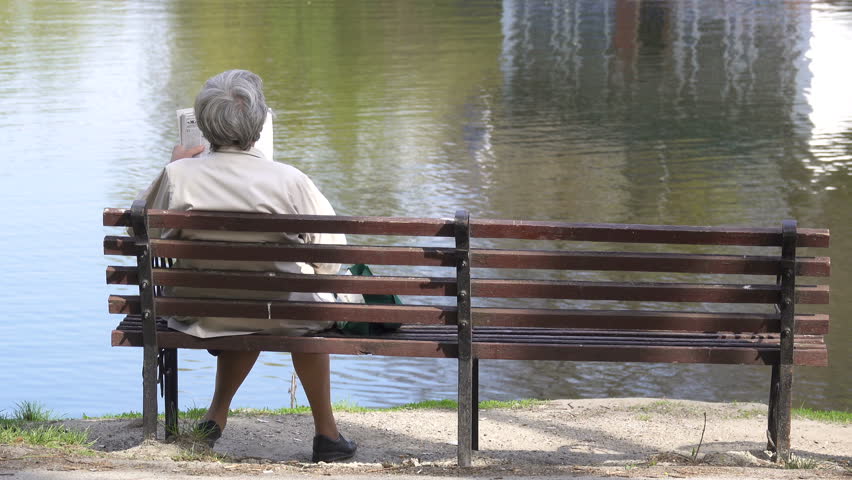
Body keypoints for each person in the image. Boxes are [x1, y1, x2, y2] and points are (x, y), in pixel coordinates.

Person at [134, 69, 356, 463]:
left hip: (196, 311)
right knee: (289, 304)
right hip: (276, 311)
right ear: (259, 124)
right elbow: (330, 260)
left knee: (246, 301)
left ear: (203, 125)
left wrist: (173, 165)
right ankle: (327, 434)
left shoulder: (178, 175)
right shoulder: (290, 181)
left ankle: (214, 419)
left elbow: (141, 233)